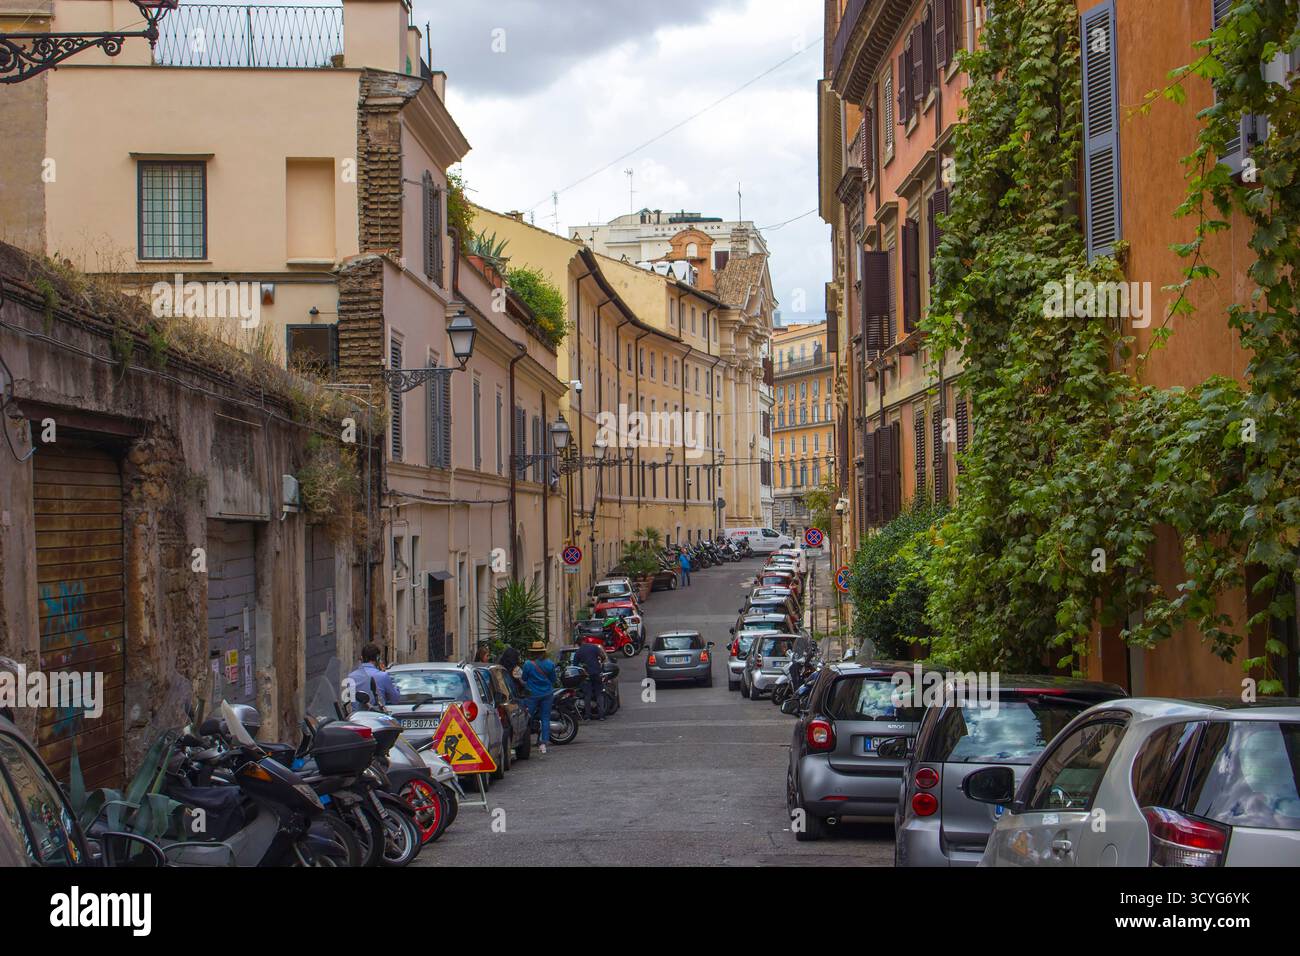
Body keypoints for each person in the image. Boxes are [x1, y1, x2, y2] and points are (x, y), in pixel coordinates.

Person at [520, 641, 558, 754]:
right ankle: (543, 744)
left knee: (528, 717)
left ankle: (523, 739)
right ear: (543, 652)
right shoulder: (550, 664)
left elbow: (524, 678)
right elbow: (553, 680)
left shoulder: (527, 664)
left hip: (532, 695)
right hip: (547, 694)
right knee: (545, 718)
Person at [346, 642, 400, 707]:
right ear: (377, 658)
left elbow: (351, 700)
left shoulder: (351, 677)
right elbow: (395, 700)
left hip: (357, 715)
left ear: (362, 658)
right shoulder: (383, 676)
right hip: (376, 715)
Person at [575, 636, 607, 721]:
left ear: (578, 643)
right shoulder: (594, 647)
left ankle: (588, 716)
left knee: (587, 695)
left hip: (586, 675)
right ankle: (601, 715)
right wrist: (600, 663)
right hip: (597, 673)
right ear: (584, 641)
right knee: (599, 694)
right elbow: (603, 656)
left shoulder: (578, 652)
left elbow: (575, 665)